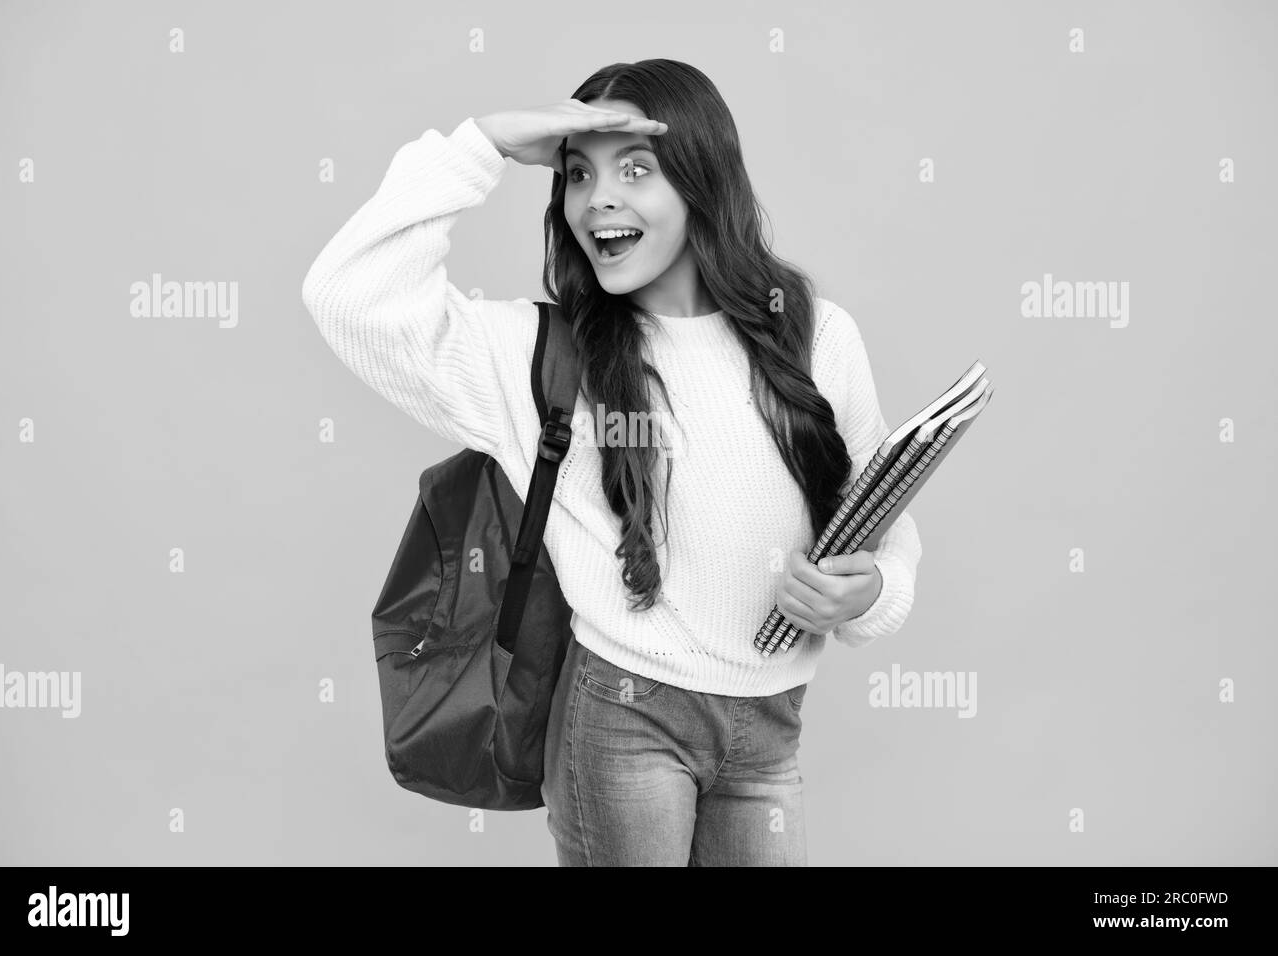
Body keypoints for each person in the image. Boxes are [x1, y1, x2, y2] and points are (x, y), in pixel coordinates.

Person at [301, 58, 922, 866]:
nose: (598, 199)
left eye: (637, 169)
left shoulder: (812, 334)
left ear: (703, 182)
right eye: (577, 173)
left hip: (771, 730)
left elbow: (884, 511)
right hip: (624, 723)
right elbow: (348, 294)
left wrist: (874, 591)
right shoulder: (540, 356)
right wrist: (483, 144)